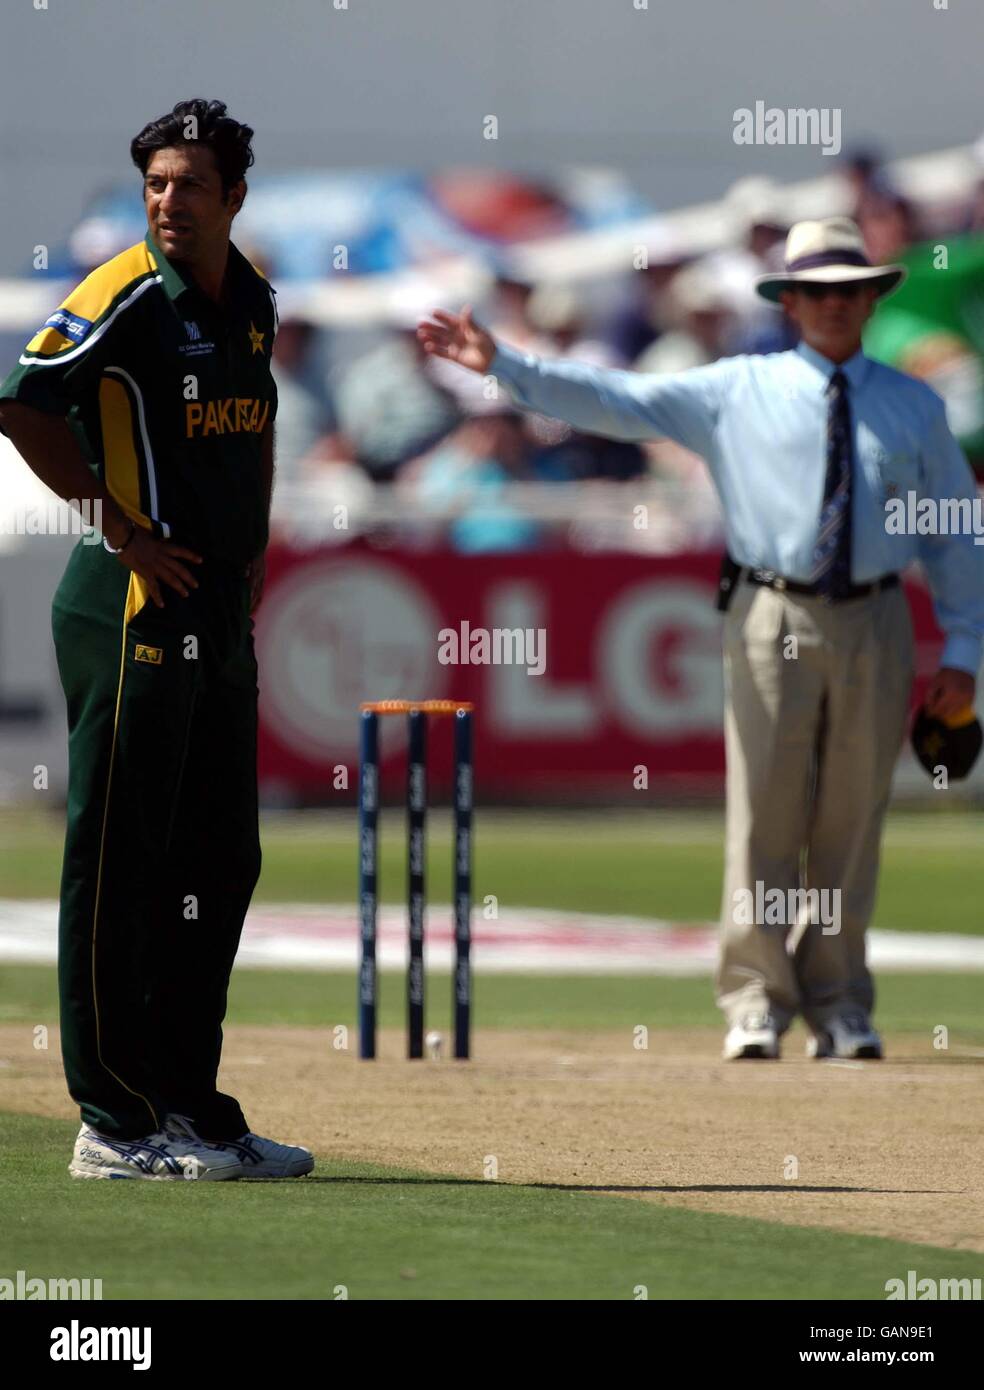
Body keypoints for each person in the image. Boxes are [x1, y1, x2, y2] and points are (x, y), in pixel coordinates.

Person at [417, 216, 984, 1062]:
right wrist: (505, 365)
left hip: (875, 614)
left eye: (848, 290)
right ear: (788, 300)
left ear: (871, 297)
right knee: (764, 809)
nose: (832, 305)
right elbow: (616, 401)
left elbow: (953, 533)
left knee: (853, 813)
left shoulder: (911, 405)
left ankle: (839, 1002)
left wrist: (965, 654)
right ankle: (755, 997)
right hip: (770, 610)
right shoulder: (737, 388)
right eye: (815, 291)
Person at [0, 99, 313, 1180]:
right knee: (120, 860)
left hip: (217, 605)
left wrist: (257, 553)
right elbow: (23, 402)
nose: (168, 201)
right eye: (156, 184)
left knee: (219, 857)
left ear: (235, 195)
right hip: (130, 607)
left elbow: (258, 422)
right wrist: (126, 533)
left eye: (188, 184)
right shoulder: (125, 292)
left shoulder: (255, 296)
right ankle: (111, 1117)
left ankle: (189, 1102)